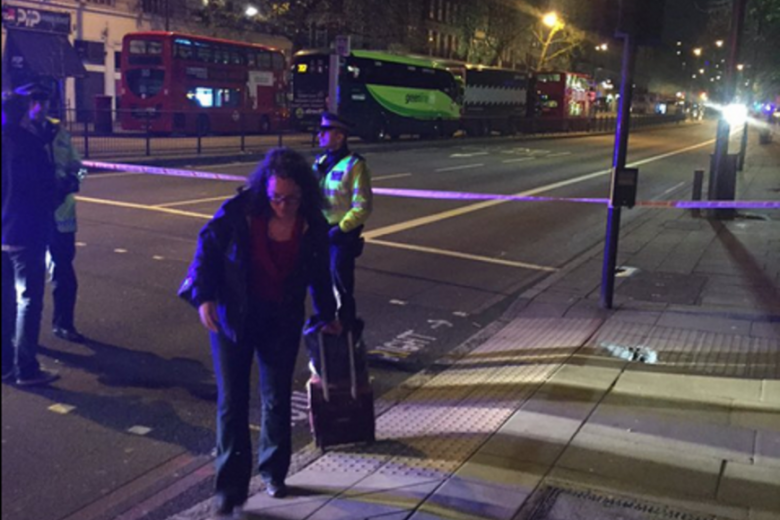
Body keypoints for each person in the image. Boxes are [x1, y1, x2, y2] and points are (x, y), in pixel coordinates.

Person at [178, 148, 341, 515]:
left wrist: (327, 314)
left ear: (305, 194)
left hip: (280, 320)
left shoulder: (312, 224)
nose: (283, 205)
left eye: (292, 199)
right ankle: (230, 489)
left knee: (276, 398)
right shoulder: (241, 211)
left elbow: (318, 272)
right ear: (265, 190)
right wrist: (203, 296)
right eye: (276, 197)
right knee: (232, 402)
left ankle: (274, 472)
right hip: (232, 317)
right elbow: (207, 246)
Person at [14, 82, 86, 343]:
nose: (39, 107)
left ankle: (64, 324)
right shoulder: (16, 133)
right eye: (34, 101)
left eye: (43, 101)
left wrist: (74, 181)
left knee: (64, 273)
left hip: (62, 216)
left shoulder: (58, 132)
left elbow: (79, 165)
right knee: (25, 284)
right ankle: (20, 337)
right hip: (31, 217)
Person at [1, 89, 60, 386]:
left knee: (4, 300)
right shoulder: (30, 145)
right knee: (28, 300)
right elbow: (46, 191)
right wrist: (67, 185)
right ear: (23, 112)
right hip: (25, 233)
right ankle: (26, 367)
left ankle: (4, 366)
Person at [313, 112, 373, 327]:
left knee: (341, 286)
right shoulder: (320, 162)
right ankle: (327, 328)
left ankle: (347, 330)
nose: (319, 135)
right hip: (319, 234)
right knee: (320, 284)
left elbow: (363, 206)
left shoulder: (355, 165)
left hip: (340, 237)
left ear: (340, 137)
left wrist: (341, 228)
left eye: (325, 131)